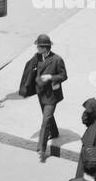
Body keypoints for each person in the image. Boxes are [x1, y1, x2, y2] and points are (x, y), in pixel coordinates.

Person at [20, 34, 67, 163]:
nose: (36, 48)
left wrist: (51, 77)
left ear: (45, 48)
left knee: (45, 121)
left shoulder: (57, 60)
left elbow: (64, 75)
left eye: (38, 46)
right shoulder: (37, 57)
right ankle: (55, 132)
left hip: (52, 95)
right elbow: (30, 68)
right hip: (41, 93)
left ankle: (41, 148)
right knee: (48, 116)